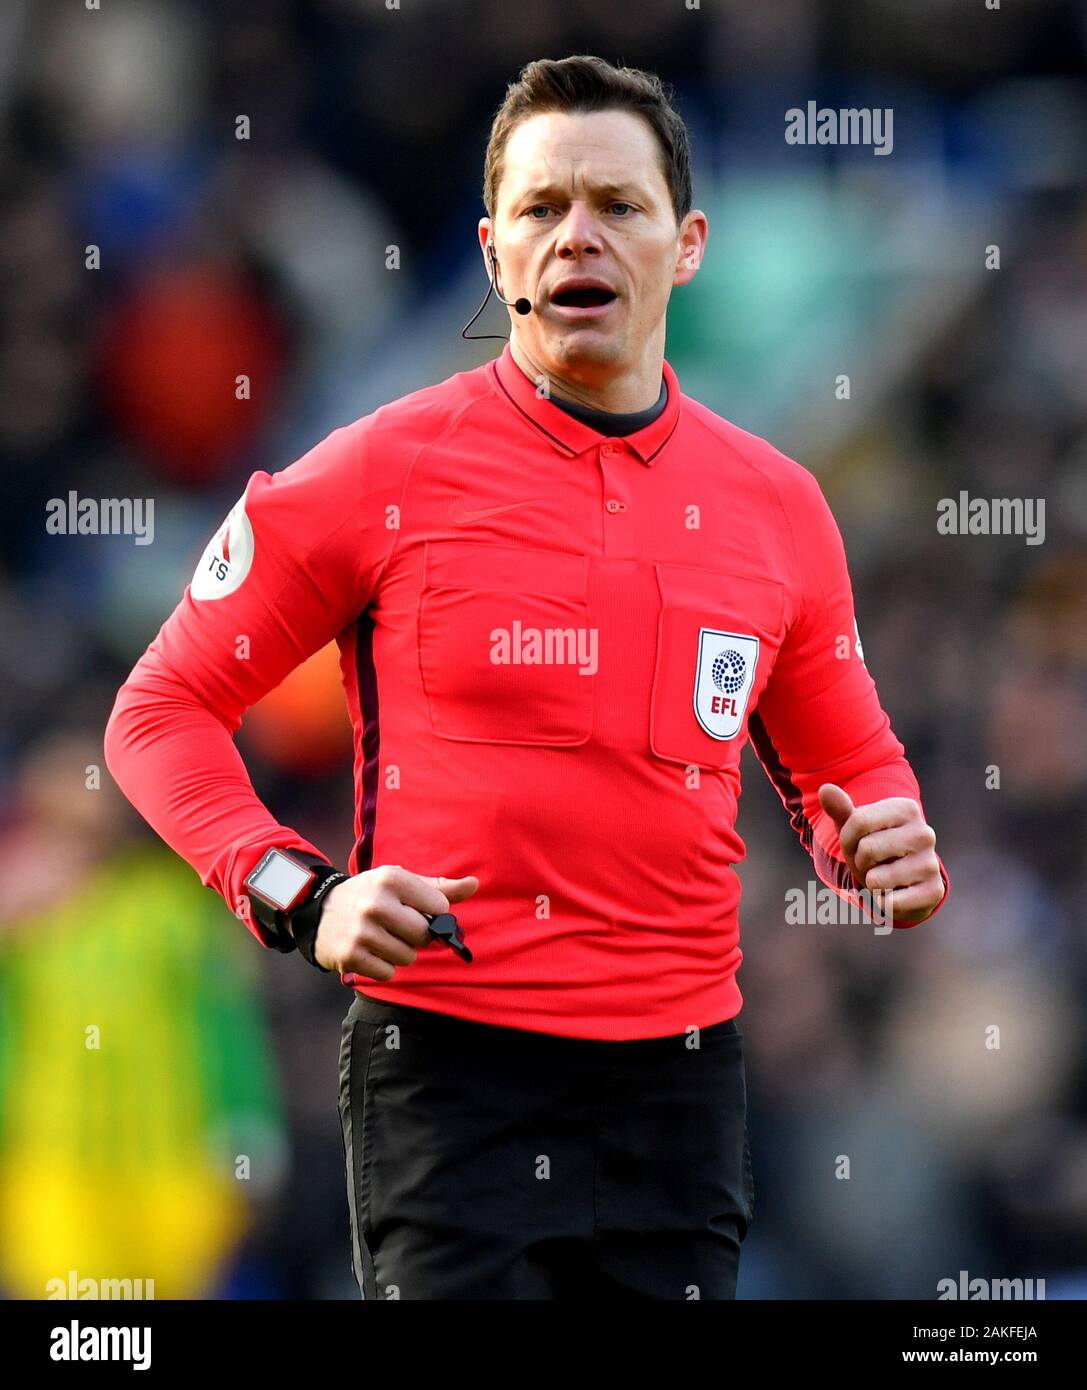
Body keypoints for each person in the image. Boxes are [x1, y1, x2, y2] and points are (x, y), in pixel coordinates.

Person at [104, 54, 949, 1301]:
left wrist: (887, 844)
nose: (578, 237)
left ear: (689, 242)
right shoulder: (378, 470)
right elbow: (157, 710)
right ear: (494, 251)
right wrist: (296, 889)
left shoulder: (779, 509)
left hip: (679, 1082)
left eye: (616, 204)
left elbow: (853, 772)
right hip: (453, 1076)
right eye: (544, 209)